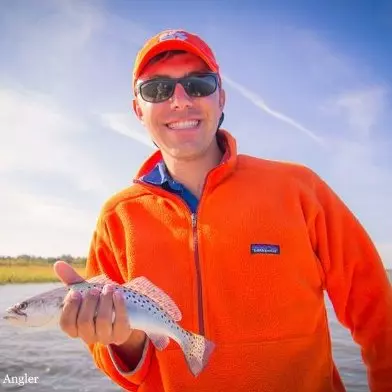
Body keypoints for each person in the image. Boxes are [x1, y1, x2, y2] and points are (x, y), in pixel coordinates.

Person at [54, 29, 392, 392]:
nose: (180, 100)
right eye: (157, 89)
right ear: (138, 109)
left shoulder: (300, 189)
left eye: (198, 84)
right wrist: (123, 340)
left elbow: (379, 316)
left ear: (221, 99)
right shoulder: (117, 218)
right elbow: (119, 365)